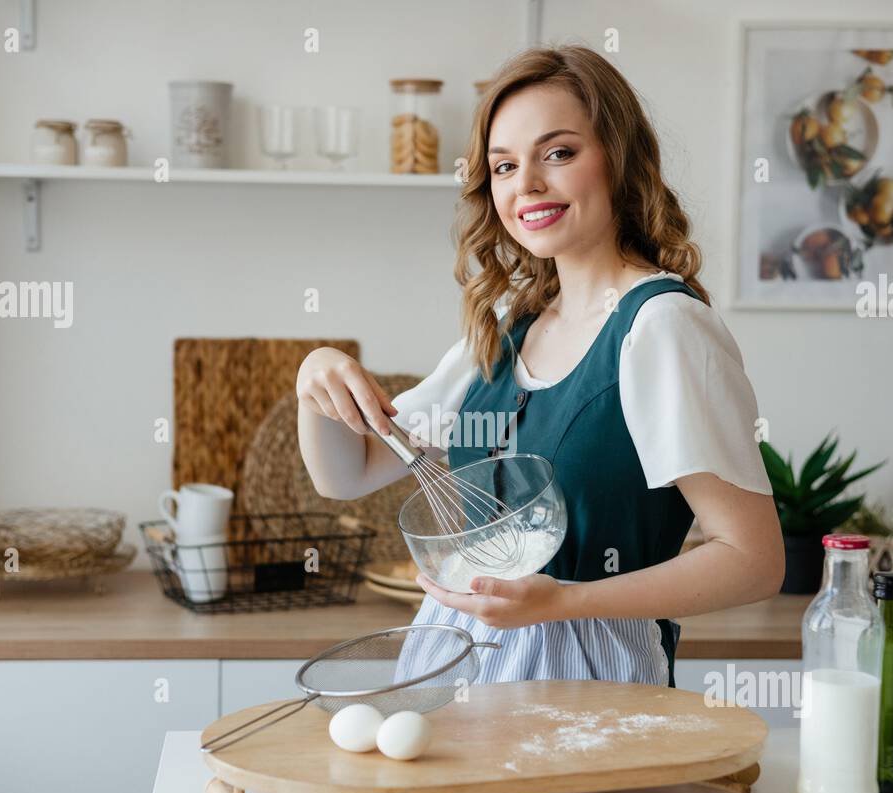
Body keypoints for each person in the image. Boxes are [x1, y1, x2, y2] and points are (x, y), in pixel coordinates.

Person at [296, 44, 784, 687]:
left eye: (558, 153)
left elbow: (754, 561)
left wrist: (566, 601)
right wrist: (317, 377)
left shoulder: (661, 327)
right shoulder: (505, 325)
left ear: (618, 158)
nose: (526, 184)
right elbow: (348, 472)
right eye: (504, 165)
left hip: (594, 679)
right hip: (458, 665)